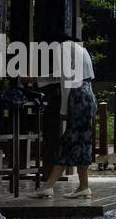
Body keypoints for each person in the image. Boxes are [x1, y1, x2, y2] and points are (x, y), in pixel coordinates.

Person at [32, 38, 96, 200]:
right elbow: (63, 76)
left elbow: (66, 81)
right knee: (81, 141)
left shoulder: (64, 47)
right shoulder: (82, 50)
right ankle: (83, 186)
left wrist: (64, 110)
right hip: (88, 95)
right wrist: (38, 80)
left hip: (77, 97)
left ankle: (49, 187)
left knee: (70, 140)